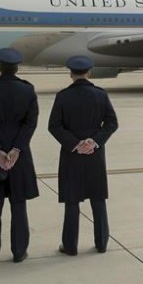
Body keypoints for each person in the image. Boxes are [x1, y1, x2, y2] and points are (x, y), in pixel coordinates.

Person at [48, 55, 118, 256]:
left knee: (72, 200)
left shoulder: (63, 96)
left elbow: (54, 126)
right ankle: (101, 242)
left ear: (71, 74)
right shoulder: (100, 95)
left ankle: (70, 245)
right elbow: (112, 123)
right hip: (95, 155)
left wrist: (75, 144)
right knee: (98, 199)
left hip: (71, 156)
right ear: (89, 72)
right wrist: (94, 141)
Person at [0, 48, 39, 264]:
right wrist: (16, 149)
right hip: (19, 155)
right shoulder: (27, 90)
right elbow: (30, 123)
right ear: (17, 68)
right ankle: (19, 251)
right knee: (18, 204)